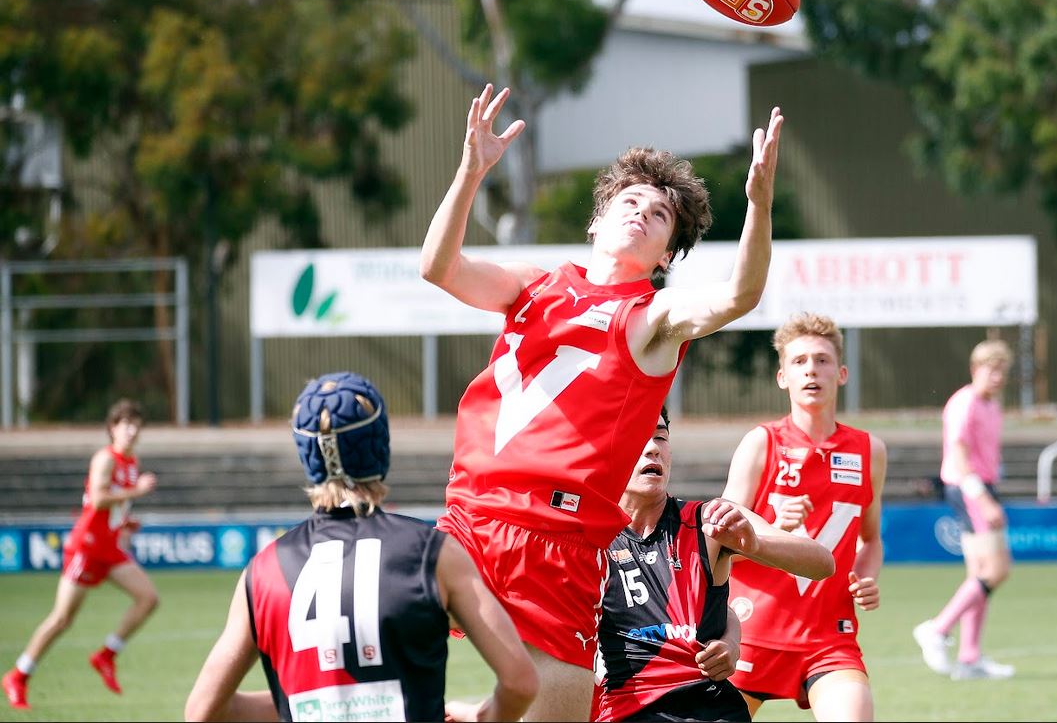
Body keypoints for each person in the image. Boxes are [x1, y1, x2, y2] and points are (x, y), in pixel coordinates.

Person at [421, 84, 784, 721]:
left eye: (660, 215)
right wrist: (469, 171)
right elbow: (438, 267)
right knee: (377, 642)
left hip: (560, 542)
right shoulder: (535, 285)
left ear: (668, 254)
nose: (640, 213)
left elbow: (739, 297)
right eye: (629, 200)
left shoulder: (653, 316)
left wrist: (759, 205)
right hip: (470, 516)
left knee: (555, 709)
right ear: (597, 220)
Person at [184, 371, 538, 722]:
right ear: (379, 445)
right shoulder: (433, 554)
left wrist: (310, 704)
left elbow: (203, 710)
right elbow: (519, 682)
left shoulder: (262, 572)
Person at [594, 406, 835, 723]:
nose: (653, 447)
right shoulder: (589, 536)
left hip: (713, 710)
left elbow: (822, 563)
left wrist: (758, 545)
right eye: (639, 436)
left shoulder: (708, 520)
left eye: (660, 436)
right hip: (628, 710)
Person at [721, 313, 888, 721]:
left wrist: (866, 578)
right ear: (783, 377)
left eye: (822, 359)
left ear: (842, 373)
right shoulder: (761, 443)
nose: (811, 369)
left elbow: (871, 539)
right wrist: (773, 529)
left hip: (830, 639)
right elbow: (714, 544)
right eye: (799, 362)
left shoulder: (870, 451)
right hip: (750, 634)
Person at [3, 398, 159, 711]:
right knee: (62, 619)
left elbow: (113, 507)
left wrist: (125, 523)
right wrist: (138, 492)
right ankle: (18, 675)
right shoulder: (105, 459)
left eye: (135, 425)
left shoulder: (132, 461)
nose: (131, 430)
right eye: (124, 424)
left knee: (148, 598)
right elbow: (99, 499)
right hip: (86, 547)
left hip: (109, 547)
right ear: (112, 428)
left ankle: (106, 655)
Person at [912, 339, 1017, 681]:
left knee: (980, 575)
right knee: (999, 569)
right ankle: (937, 629)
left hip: (980, 485)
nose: (997, 376)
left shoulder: (992, 406)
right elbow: (958, 453)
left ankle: (970, 657)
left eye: (1002, 369)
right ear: (975, 370)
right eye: (991, 368)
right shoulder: (964, 402)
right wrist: (983, 498)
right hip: (970, 488)